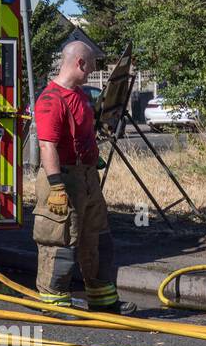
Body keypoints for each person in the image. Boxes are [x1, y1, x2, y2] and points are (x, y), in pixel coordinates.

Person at [31, 40, 135, 315]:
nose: (91, 71)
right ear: (79, 63)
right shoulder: (52, 100)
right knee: (60, 239)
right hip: (63, 178)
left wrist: (91, 154)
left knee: (98, 238)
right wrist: (56, 187)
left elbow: (83, 132)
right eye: (90, 65)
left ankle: (103, 300)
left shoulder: (79, 96)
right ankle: (54, 304)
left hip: (87, 178)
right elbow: (47, 146)